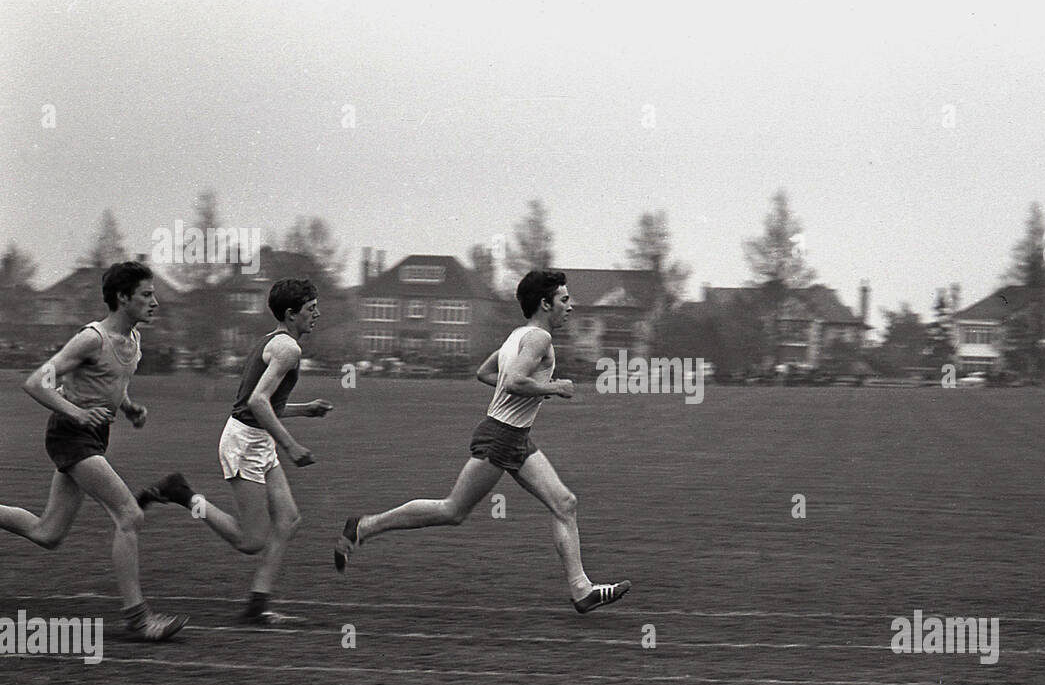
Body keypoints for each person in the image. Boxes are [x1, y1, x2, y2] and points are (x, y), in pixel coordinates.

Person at [333, 269, 630, 614]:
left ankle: (582, 590)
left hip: (515, 436)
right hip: (502, 436)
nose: (571, 306)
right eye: (565, 299)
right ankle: (364, 527)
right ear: (545, 303)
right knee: (453, 510)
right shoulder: (539, 340)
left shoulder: (517, 335)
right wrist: (552, 388)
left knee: (565, 502)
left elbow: (486, 373)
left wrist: (529, 393)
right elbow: (514, 382)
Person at [0, 261, 187, 640]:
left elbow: (112, 381)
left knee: (47, 533)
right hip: (71, 434)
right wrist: (78, 412)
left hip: (93, 436)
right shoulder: (92, 339)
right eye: (147, 295)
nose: (155, 302)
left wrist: (129, 407)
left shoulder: (133, 340)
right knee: (129, 514)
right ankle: (138, 619)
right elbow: (37, 382)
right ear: (122, 298)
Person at [136, 278, 332, 624]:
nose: (317, 315)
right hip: (245, 444)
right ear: (291, 313)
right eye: (311, 309)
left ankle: (258, 604)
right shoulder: (288, 349)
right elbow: (257, 403)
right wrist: (291, 445)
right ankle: (182, 494)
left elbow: (264, 404)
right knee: (249, 541)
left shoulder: (273, 342)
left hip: (255, 439)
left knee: (289, 520)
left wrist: (305, 409)